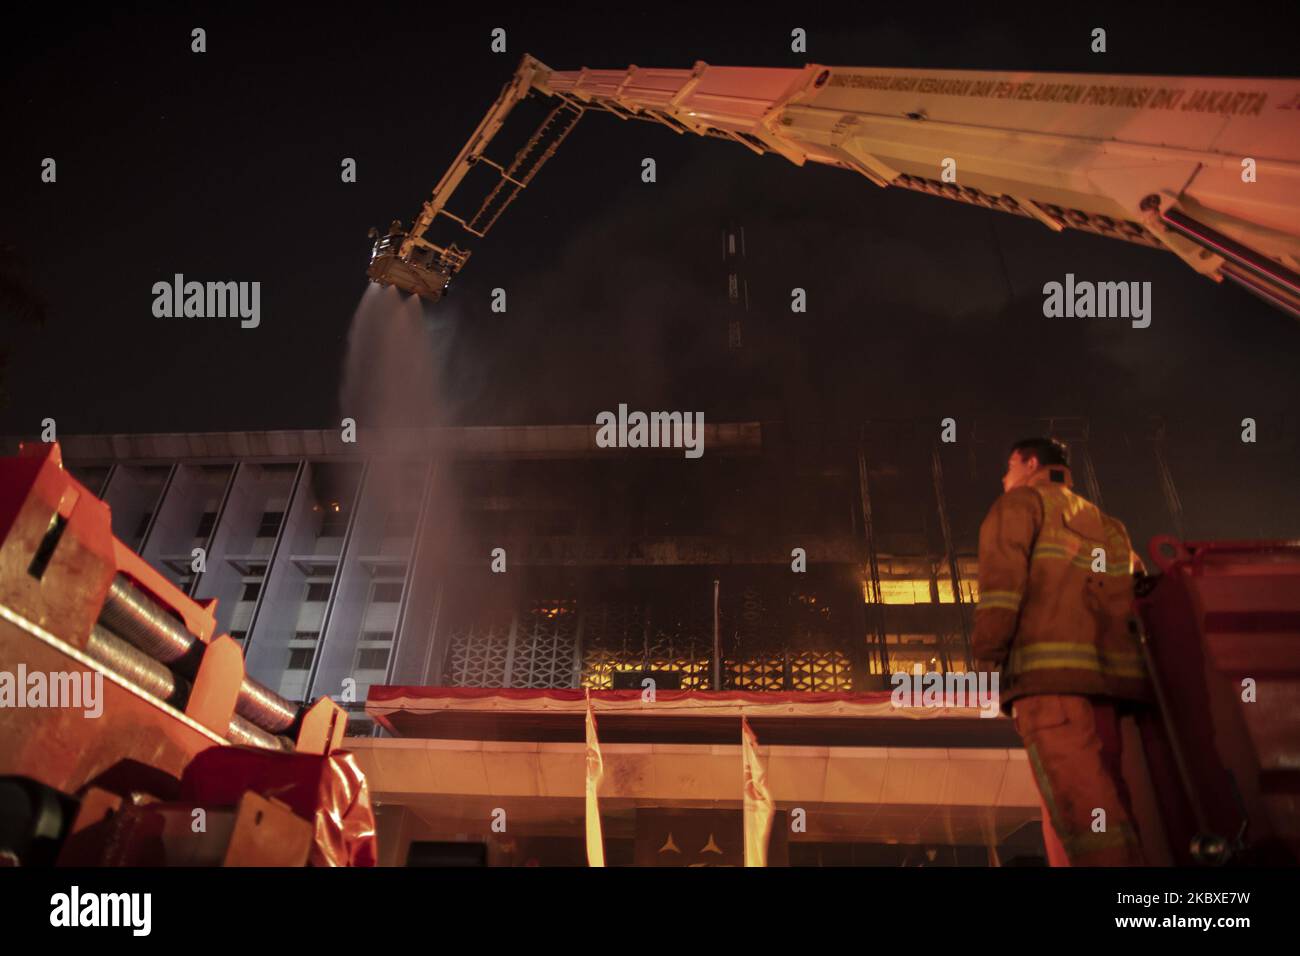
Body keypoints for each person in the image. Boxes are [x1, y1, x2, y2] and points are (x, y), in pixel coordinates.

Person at [973, 437, 1152, 866]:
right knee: (1112, 799)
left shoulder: (1020, 507)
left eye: (1009, 466)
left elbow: (1001, 586)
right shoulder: (1108, 524)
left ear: (1031, 463)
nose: (1004, 477)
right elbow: (1139, 594)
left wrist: (986, 655)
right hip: (1110, 692)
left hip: (1050, 687)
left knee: (1080, 809)